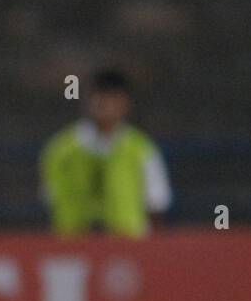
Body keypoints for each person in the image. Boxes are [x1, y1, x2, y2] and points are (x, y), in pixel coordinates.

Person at [40, 67, 171, 237]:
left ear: (125, 103)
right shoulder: (60, 150)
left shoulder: (142, 150)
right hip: (73, 250)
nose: (104, 103)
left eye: (112, 97)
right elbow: (51, 203)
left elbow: (155, 206)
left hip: (127, 251)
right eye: (99, 95)